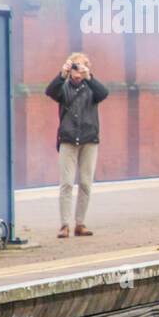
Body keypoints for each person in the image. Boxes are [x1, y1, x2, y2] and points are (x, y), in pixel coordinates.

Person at [45, 52, 109, 238]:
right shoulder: (63, 88)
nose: (77, 72)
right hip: (68, 139)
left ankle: (80, 223)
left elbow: (104, 93)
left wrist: (89, 77)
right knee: (66, 183)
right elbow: (50, 92)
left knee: (85, 183)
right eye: (74, 67)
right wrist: (61, 74)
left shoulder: (92, 88)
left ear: (87, 67)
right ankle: (64, 225)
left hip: (89, 139)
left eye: (80, 67)